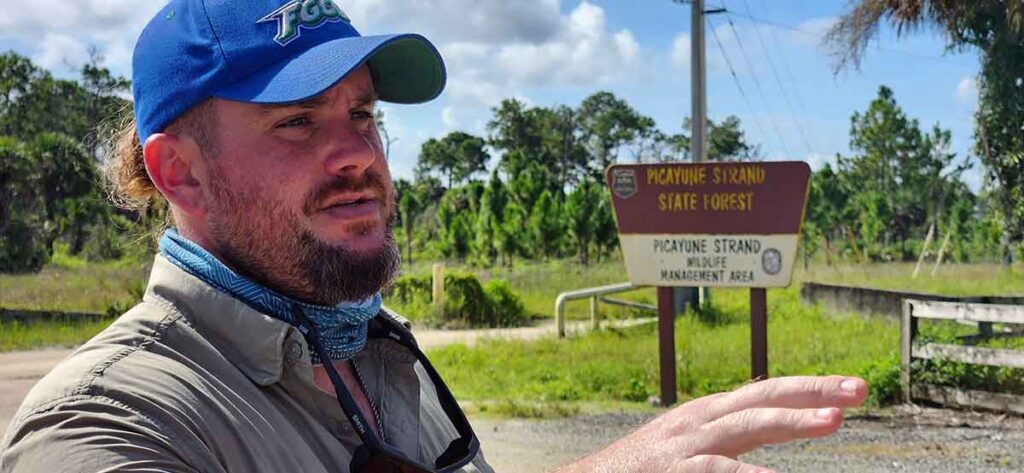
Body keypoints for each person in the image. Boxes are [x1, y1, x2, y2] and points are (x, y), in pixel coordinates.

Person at [0, 1, 867, 472]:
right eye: (297, 123)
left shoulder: (370, 348)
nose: (360, 155)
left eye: (362, 112)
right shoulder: (110, 420)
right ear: (178, 170)